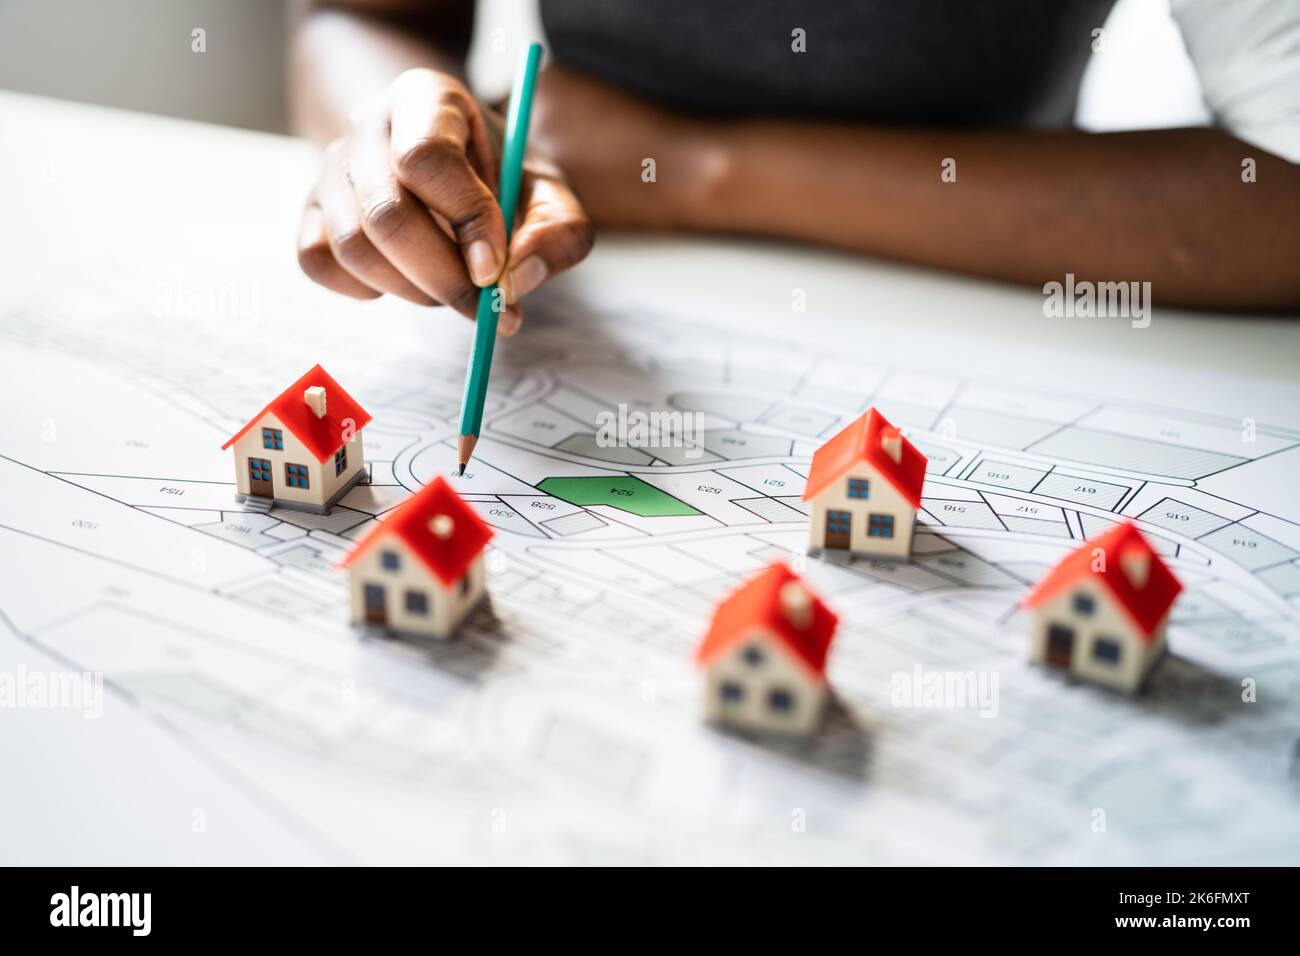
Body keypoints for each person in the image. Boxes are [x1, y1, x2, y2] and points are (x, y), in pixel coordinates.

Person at [292, 0, 1300, 332]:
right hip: (601, 292)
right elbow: (366, 16)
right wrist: (391, 133)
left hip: (985, 297)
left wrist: (691, 168)